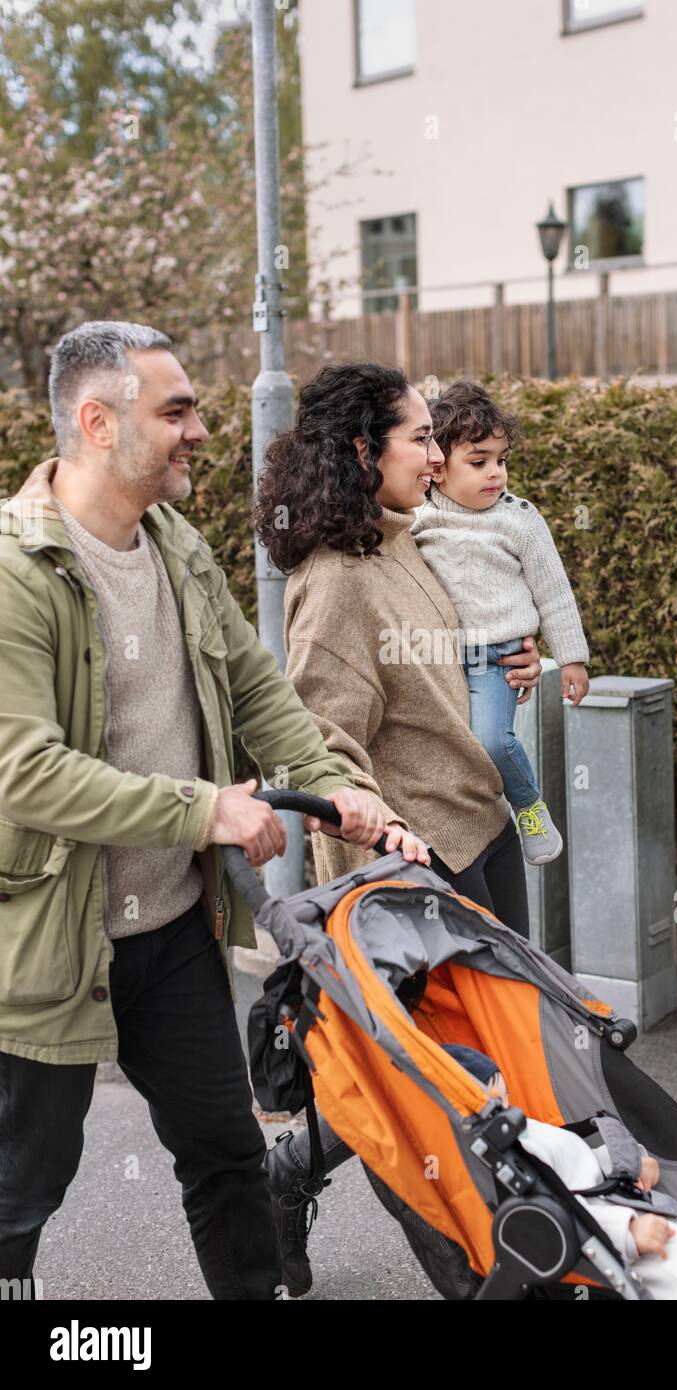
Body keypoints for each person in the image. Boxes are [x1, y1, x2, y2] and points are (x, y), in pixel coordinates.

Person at [0, 321, 393, 1301]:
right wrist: (202, 810)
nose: (200, 430)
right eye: (175, 411)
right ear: (97, 422)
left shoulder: (173, 542)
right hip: (51, 940)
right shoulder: (16, 573)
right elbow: (27, 772)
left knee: (225, 1160)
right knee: (19, 1197)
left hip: (171, 931)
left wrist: (337, 790)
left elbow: (255, 686)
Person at [255, 360, 544, 1295]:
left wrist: (515, 654)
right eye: (419, 437)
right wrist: (375, 878)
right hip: (416, 869)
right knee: (437, 1090)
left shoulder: (410, 539)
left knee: (494, 1063)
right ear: (360, 450)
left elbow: (447, 659)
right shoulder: (336, 581)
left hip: (481, 831)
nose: (436, 452)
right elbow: (318, 745)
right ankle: (491, 1271)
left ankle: (293, 1166)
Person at [442, 1044, 677, 1301]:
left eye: (506, 1095)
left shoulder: (525, 1130)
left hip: (631, 1202)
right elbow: (552, 1209)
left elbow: (579, 1162)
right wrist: (626, 1232)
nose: (507, 1105)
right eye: (497, 1098)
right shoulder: (497, 1158)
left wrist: (629, 1160)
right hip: (608, 1233)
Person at [412, 380, 591, 865]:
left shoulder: (521, 520)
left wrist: (571, 659)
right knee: (457, 750)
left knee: (492, 741)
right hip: (442, 658)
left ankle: (529, 805)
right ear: (438, 468)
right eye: (479, 462)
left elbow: (554, 592)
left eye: (502, 460)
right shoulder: (418, 520)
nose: (496, 473)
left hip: (499, 659)